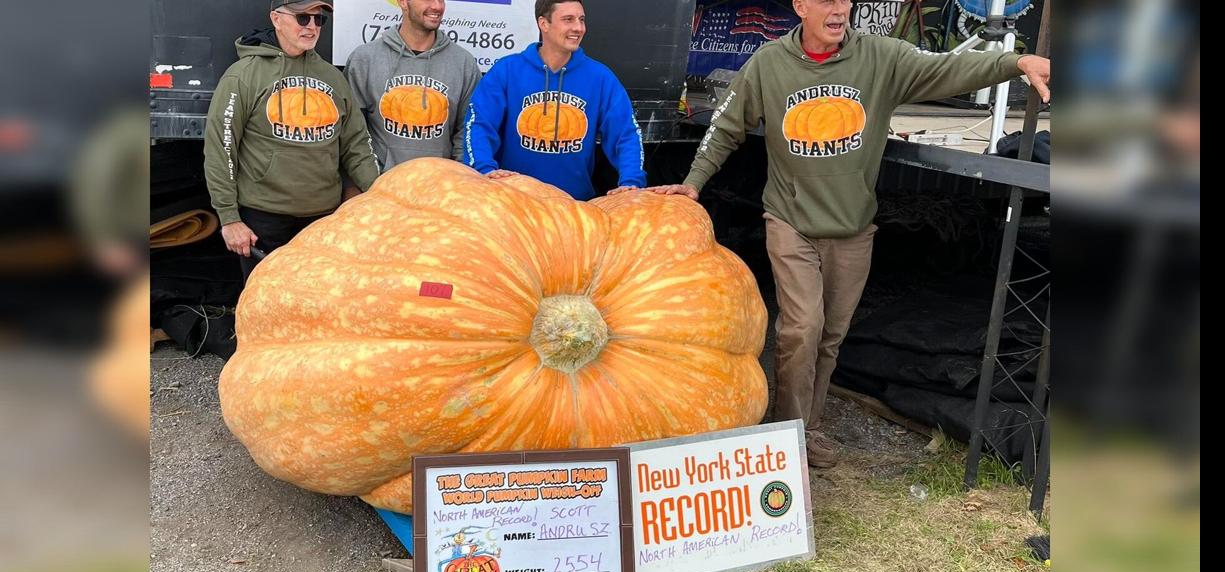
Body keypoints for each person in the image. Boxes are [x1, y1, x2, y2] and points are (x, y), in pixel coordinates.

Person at [644, 0, 1050, 468]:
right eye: (826, 1)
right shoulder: (768, 64)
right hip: (791, 221)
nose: (839, 9)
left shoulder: (881, 57)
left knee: (830, 337)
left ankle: (808, 425)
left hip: (853, 227)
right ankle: (789, 435)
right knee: (801, 329)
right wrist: (693, 183)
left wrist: (1016, 62)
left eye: (844, 0)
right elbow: (725, 128)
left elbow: (948, 70)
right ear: (800, 6)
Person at [204, 1, 379, 278]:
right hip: (264, 220)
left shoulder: (334, 79)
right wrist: (229, 218)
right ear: (276, 19)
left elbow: (357, 146)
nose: (312, 27)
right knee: (264, 299)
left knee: (316, 297)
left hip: (323, 219)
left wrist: (382, 196)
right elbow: (221, 147)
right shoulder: (244, 75)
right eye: (302, 18)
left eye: (318, 20)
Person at [461, 0, 645, 199]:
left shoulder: (600, 78)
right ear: (544, 24)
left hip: (573, 204)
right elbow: (479, 124)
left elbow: (625, 134)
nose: (578, 28)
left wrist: (631, 181)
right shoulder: (507, 71)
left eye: (581, 20)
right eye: (568, 19)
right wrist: (484, 169)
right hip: (514, 201)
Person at [345, 0, 481, 172]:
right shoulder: (365, 59)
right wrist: (368, 180)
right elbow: (353, 135)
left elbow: (467, 133)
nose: (437, 6)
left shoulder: (463, 63)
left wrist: (459, 178)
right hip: (381, 183)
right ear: (403, 2)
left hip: (440, 183)